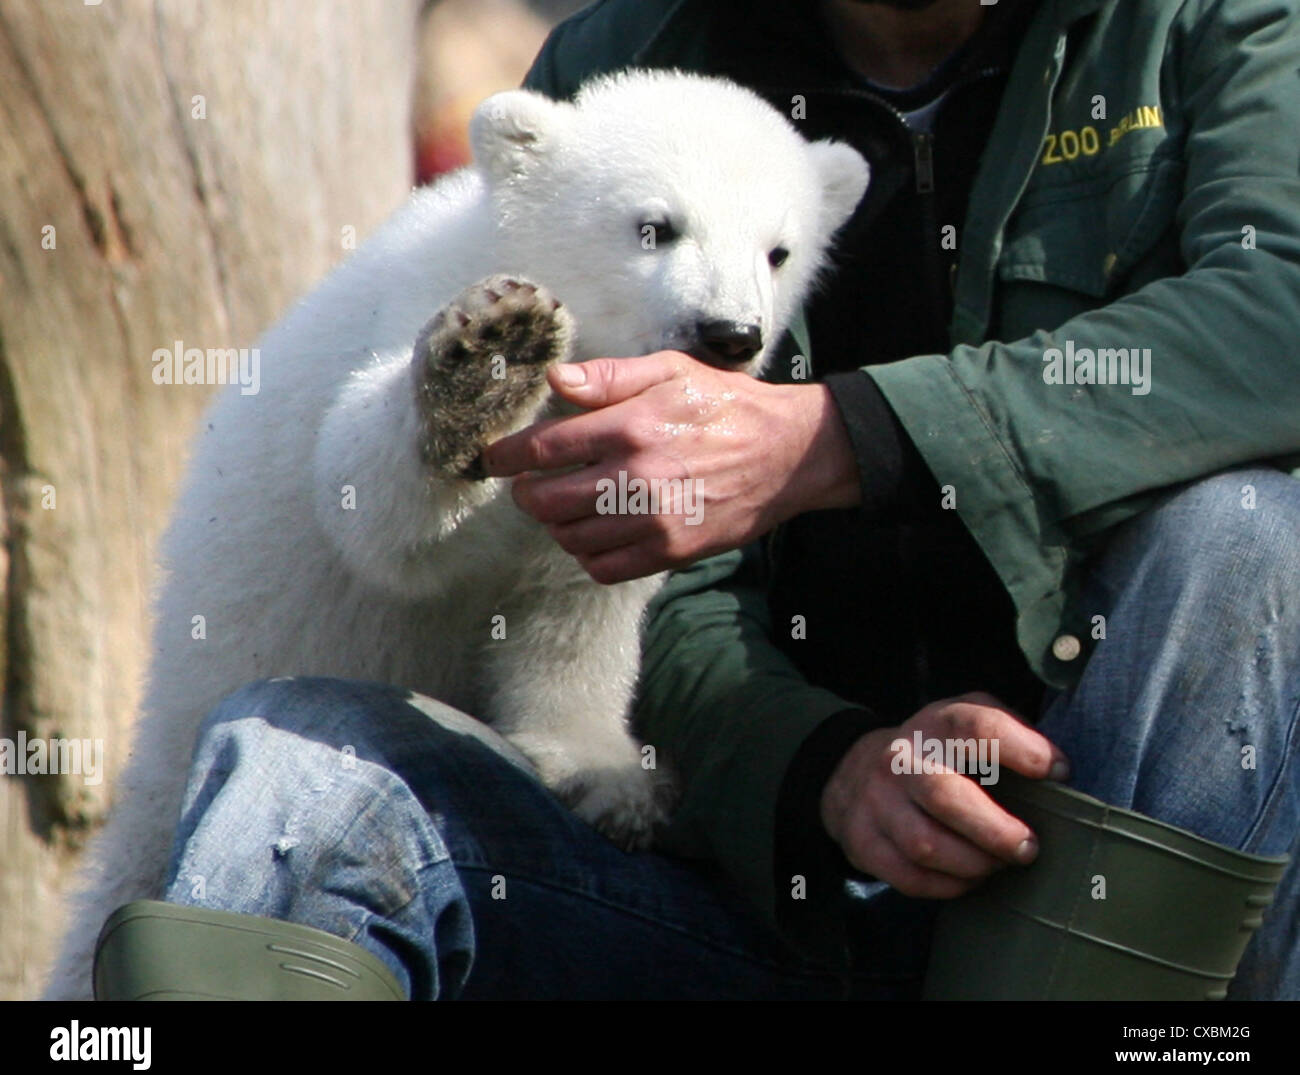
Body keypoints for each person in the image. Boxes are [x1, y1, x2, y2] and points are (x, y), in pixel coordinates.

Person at [144, 0, 1300, 999]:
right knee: (300, 777)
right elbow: (608, 557)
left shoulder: (1203, 26)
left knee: (1239, 540)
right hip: (744, 881)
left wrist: (842, 433)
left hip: (1126, 833)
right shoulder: (630, 64)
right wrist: (823, 770)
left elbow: (1281, 312)